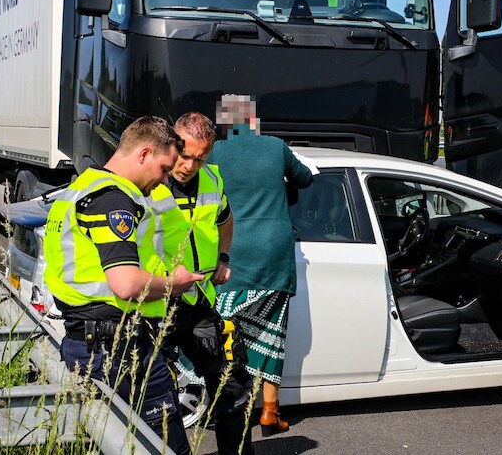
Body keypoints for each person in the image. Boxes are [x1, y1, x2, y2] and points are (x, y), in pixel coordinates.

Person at [44, 116, 203, 454]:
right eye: (164, 168)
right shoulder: (113, 200)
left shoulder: (81, 187)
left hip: (85, 341)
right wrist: (177, 284)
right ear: (144, 153)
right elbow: (127, 283)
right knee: (167, 446)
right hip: (119, 350)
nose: (163, 181)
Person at [146, 112, 254, 454]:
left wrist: (223, 259)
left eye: (200, 157)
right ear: (172, 144)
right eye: (185, 154)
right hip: (156, 304)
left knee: (232, 385)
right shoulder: (149, 183)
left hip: (198, 301)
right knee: (156, 398)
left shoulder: (212, 181)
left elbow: (225, 219)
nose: (190, 165)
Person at [207, 94, 314, 436]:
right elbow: (305, 178)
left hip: (232, 256)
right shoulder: (275, 147)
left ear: (224, 124)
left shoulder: (215, 152)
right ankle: (269, 412)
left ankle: (226, 407)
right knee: (272, 335)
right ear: (253, 120)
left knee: (223, 335)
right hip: (272, 254)